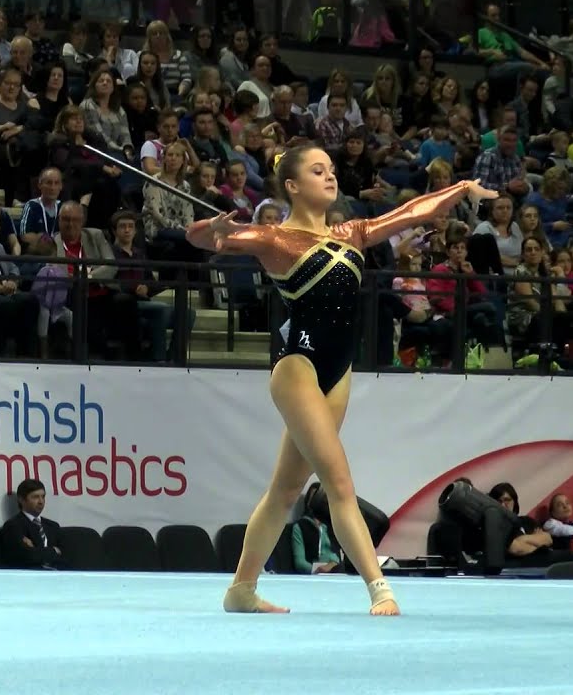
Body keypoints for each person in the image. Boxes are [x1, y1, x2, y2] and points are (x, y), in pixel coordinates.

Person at [185, 144, 497, 615]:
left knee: (285, 490)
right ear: (292, 186)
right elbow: (200, 239)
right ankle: (380, 588)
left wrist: (459, 188)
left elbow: (410, 211)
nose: (330, 177)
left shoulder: (350, 233)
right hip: (299, 368)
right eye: (317, 171)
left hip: (338, 372)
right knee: (339, 483)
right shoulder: (276, 239)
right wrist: (215, 230)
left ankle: (241, 590)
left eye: (331, 170)